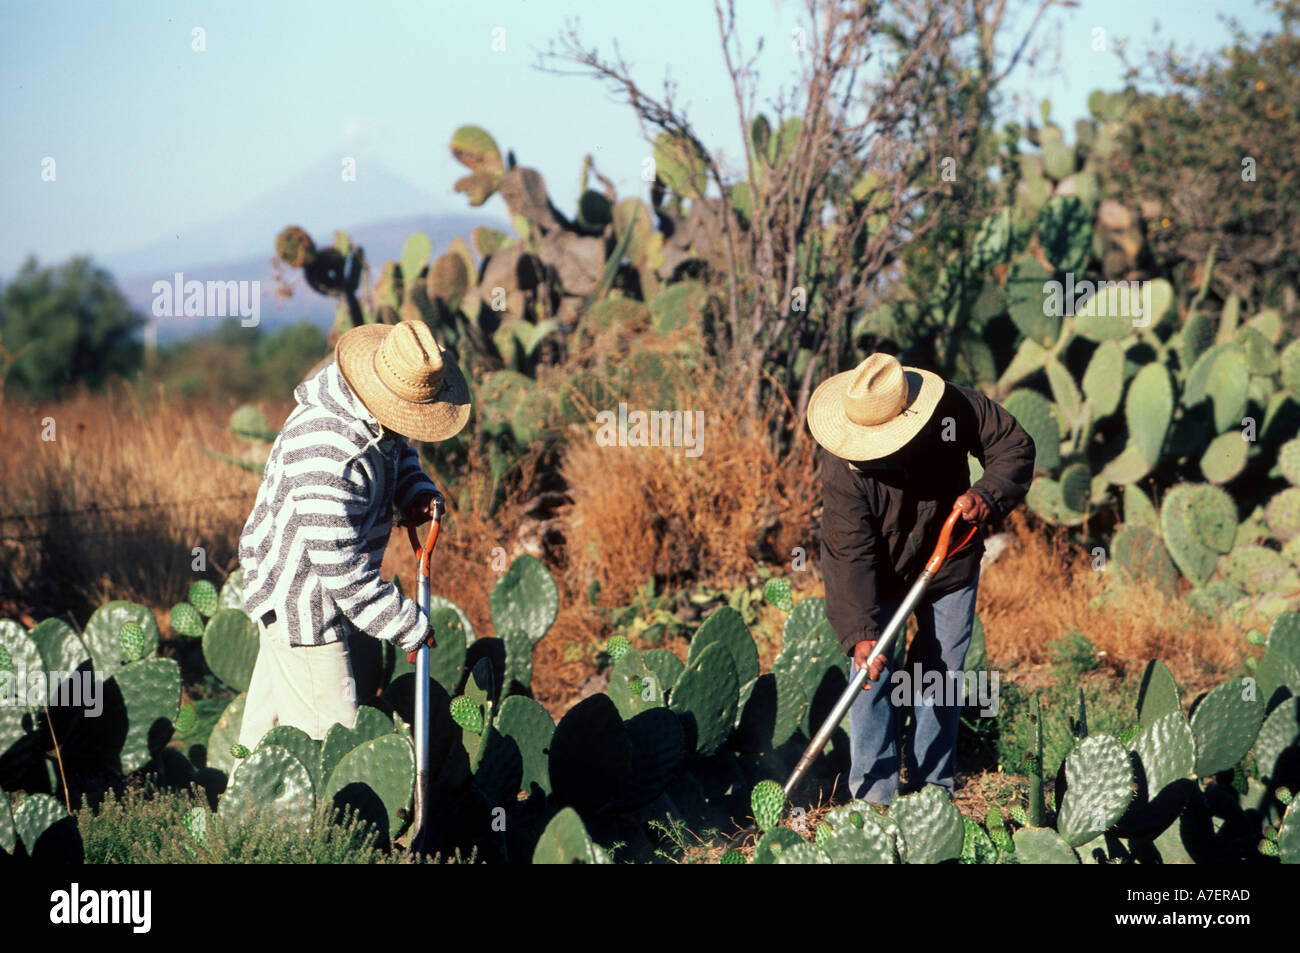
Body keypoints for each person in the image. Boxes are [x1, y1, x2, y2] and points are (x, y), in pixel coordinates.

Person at [807, 352, 1034, 804]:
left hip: (949, 559)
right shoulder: (843, 467)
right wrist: (862, 635)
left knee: (940, 673)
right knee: (870, 676)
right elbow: (849, 554)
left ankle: (933, 791)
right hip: (880, 575)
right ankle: (874, 799)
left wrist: (986, 495)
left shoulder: (952, 409)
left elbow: (1013, 446)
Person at [235, 319, 471, 748]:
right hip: (302, 603)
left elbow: (396, 448)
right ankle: (326, 818)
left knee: (266, 740)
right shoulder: (328, 452)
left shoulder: (368, 409)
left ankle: (245, 815)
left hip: (310, 591)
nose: (410, 425)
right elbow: (342, 573)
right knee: (330, 746)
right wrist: (406, 624)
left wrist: (413, 488)